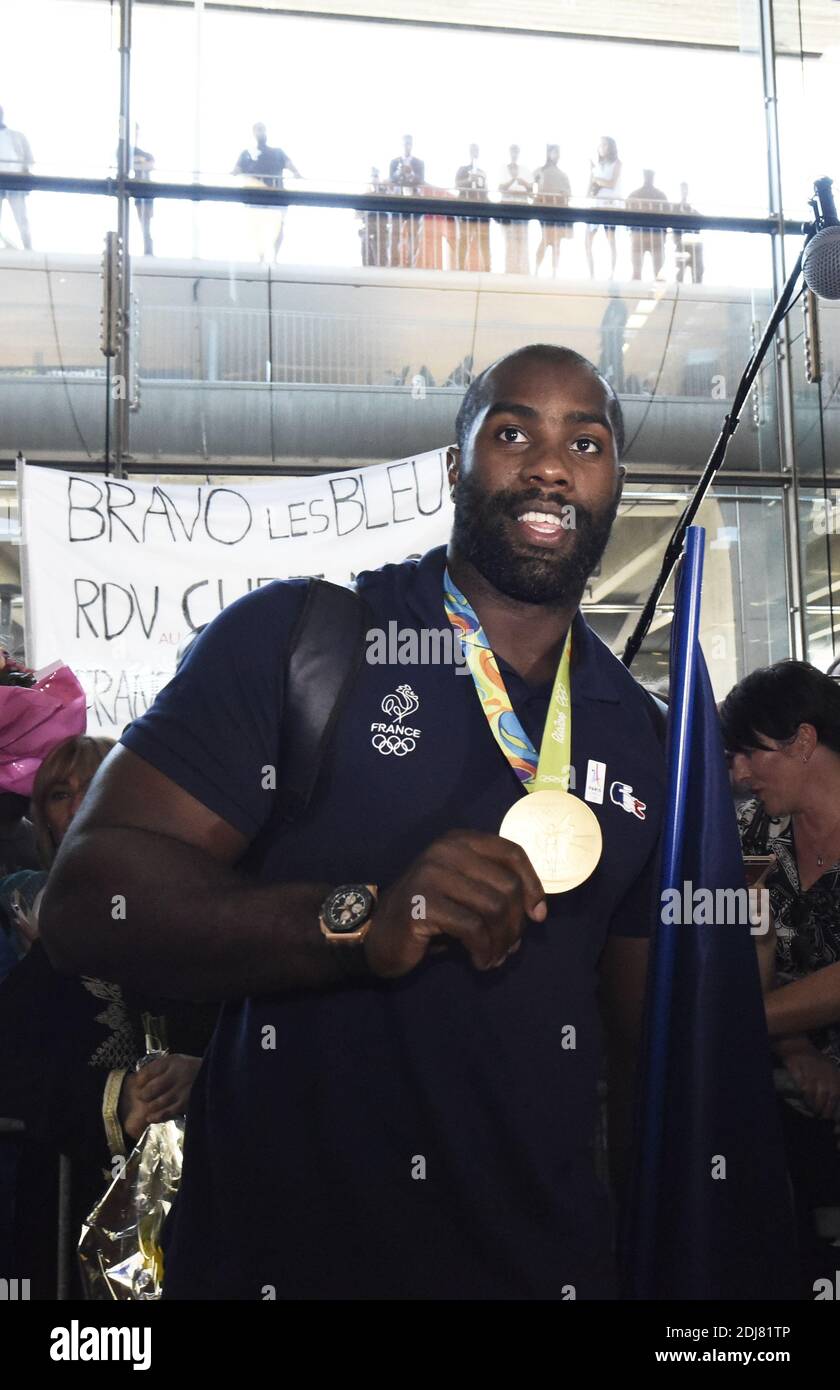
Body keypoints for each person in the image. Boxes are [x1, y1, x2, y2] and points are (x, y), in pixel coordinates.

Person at [41, 343, 667, 1301]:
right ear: (456, 463)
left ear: (615, 482)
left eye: (586, 442)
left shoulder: (645, 737)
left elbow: (641, 1055)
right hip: (284, 1259)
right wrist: (356, 920)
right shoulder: (303, 641)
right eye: (513, 433)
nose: (550, 464)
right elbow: (88, 898)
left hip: (543, 1267)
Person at [0, 733, 210, 1296]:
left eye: (95, 788)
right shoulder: (52, 948)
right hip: (73, 1212)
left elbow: (256, 1036)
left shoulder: (198, 913)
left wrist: (202, 1074)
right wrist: (114, 1100)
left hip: (203, 1199)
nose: (77, 807)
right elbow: (14, 1068)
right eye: (59, 794)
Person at [721, 661, 840, 1291]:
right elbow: (745, 952)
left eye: (748, 752)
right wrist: (792, 1046)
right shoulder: (750, 832)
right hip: (785, 1080)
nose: (737, 773)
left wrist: (745, 1023)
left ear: (803, 742)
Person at [233, 122, 302, 262]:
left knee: (279, 224)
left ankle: (275, 257)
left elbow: (289, 164)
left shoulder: (277, 152)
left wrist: (296, 173)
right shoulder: (247, 154)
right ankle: (261, 257)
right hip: (256, 194)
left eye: (263, 130)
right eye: (259, 130)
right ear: (254, 133)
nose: (262, 133)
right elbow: (237, 169)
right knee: (258, 225)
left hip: (275, 192)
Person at [585, 136, 623, 279]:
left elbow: (611, 183)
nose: (602, 148)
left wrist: (597, 180)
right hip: (596, 205)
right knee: (587, 240)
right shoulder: (596, 167)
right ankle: (591, 274)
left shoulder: (617, 163)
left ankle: (612, 273)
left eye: (605, 145)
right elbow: (588, 191)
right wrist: (592, 177)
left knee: (611, 240)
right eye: (600, 145)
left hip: (610, 206)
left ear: (611, 147)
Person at [533, 145, 572, 277]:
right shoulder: (540, 171)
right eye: (554, 153)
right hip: (545, 207)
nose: (556, 156)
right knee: (546, 238)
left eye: (558, 153)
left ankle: (554, 272)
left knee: (556, 242)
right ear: (548, 154)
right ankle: (537, 270)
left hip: (558, 209)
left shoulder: (563, 174)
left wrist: (563, 194)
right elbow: (529, 184)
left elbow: (568, 193)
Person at [388, 135, 425, 268]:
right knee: (395, 234)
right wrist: (400, 173)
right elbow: (391, 180)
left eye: (409, 143)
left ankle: (411, 263)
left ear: (412, 145)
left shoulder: (419, 163)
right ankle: (394, 262)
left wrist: (411, 173)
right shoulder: (394, 162)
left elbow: (421, 181)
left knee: (413, 235)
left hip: (413, 203)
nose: (407, 146)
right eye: (405, 144)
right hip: (398, 201)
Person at [0, 105, 33, 252]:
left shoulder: (16, 136)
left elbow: (29, 159)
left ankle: (28, 247)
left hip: (15, 180)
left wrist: (24, 176)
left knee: (22, 218)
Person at [497, 144, 533, 275]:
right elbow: (500, 188)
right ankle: (510, 269)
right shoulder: (503, 169)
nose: (514, 154)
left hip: (522, 207)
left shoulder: (525, 170)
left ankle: (522, 270)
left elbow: (531, 191)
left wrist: (523, 183)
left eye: (516, 151)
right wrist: (512, 180)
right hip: (507, 208)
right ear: (509, 152)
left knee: (522, 240)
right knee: (509, 240)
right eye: (512, 151)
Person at [626, 170, 669, 281]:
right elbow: (667, 217)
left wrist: (631, 231)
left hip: (640, 234)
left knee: (637, 272)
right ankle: (660, 297)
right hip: (655, 235)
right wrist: (664, 235)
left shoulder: (634, 195)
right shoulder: (661, 195)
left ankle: (636, 294)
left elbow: (627, 214)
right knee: (658, 273)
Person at [454, 143, 490, 271]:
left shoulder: (482, 172)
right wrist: (469, 180)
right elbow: (457, 185)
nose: (475, 152)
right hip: (466, 210)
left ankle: (487, 268)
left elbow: (485, 191)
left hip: (481, 211)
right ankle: (460, 268)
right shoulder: (462, 169)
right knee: (464, 240)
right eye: (473, 150)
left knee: (484, 241)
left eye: (477, 150)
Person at [673, 181, 704, 284]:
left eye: (686, 190)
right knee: (680, 273)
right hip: (682, 244)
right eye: (683, 190)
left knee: (697, 273)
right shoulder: (676, 208)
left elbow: (701, 220)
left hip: (694, 245)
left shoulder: (693, 209)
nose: (684, 192)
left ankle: (697, 292)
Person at [131, 126, 155, 257]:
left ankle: (148, 249)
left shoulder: (143, 153)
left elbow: (150, 165)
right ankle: (147, 248)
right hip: (138, 192)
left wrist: (139, 163)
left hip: (146, 191)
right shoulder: (126, 151)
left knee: (146, 219)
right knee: (143, 219)